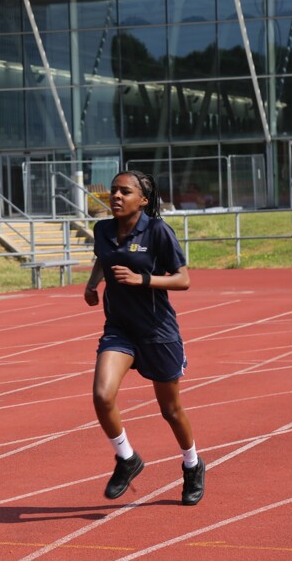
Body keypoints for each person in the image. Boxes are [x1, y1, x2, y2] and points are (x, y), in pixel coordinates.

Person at [84, 169, 205, 506]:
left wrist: (143, 279)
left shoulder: (156, 231)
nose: (117, 197)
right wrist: (93, 283)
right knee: (102, 395)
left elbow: (183, 279)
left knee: (170, 410)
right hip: (120, 329)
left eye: (125, 191)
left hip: (157, 332)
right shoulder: (103, 229)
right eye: (113, 191)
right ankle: (127, 458)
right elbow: (102, 258)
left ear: (143, 200)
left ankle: (192, 465)